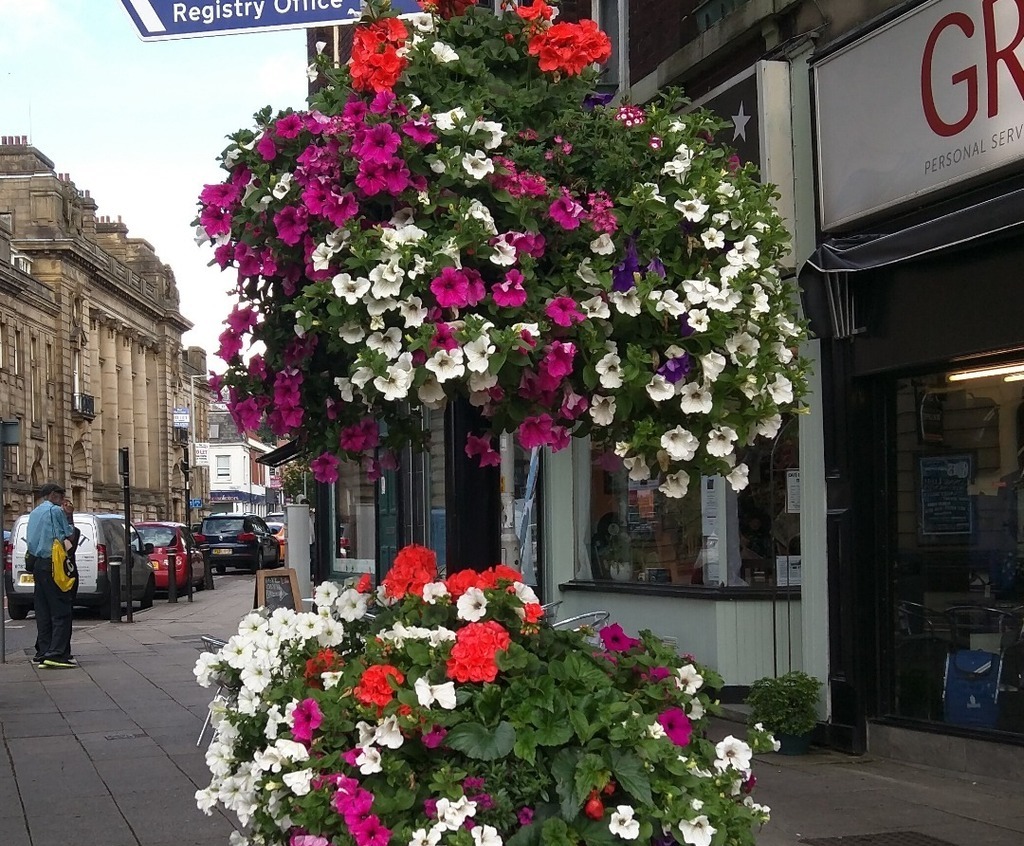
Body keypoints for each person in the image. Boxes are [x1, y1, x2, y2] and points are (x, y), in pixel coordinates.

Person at [26, 481, 76, 669]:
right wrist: (69, 516)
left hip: (38, 565)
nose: (63, 501)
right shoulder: (55, 511)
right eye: (61, 497)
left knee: (43, 610)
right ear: (54, 495)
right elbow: (67, 536)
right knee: (61, 610)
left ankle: (43, 652)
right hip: (53, 564)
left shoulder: (34, 512)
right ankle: (56, 654)